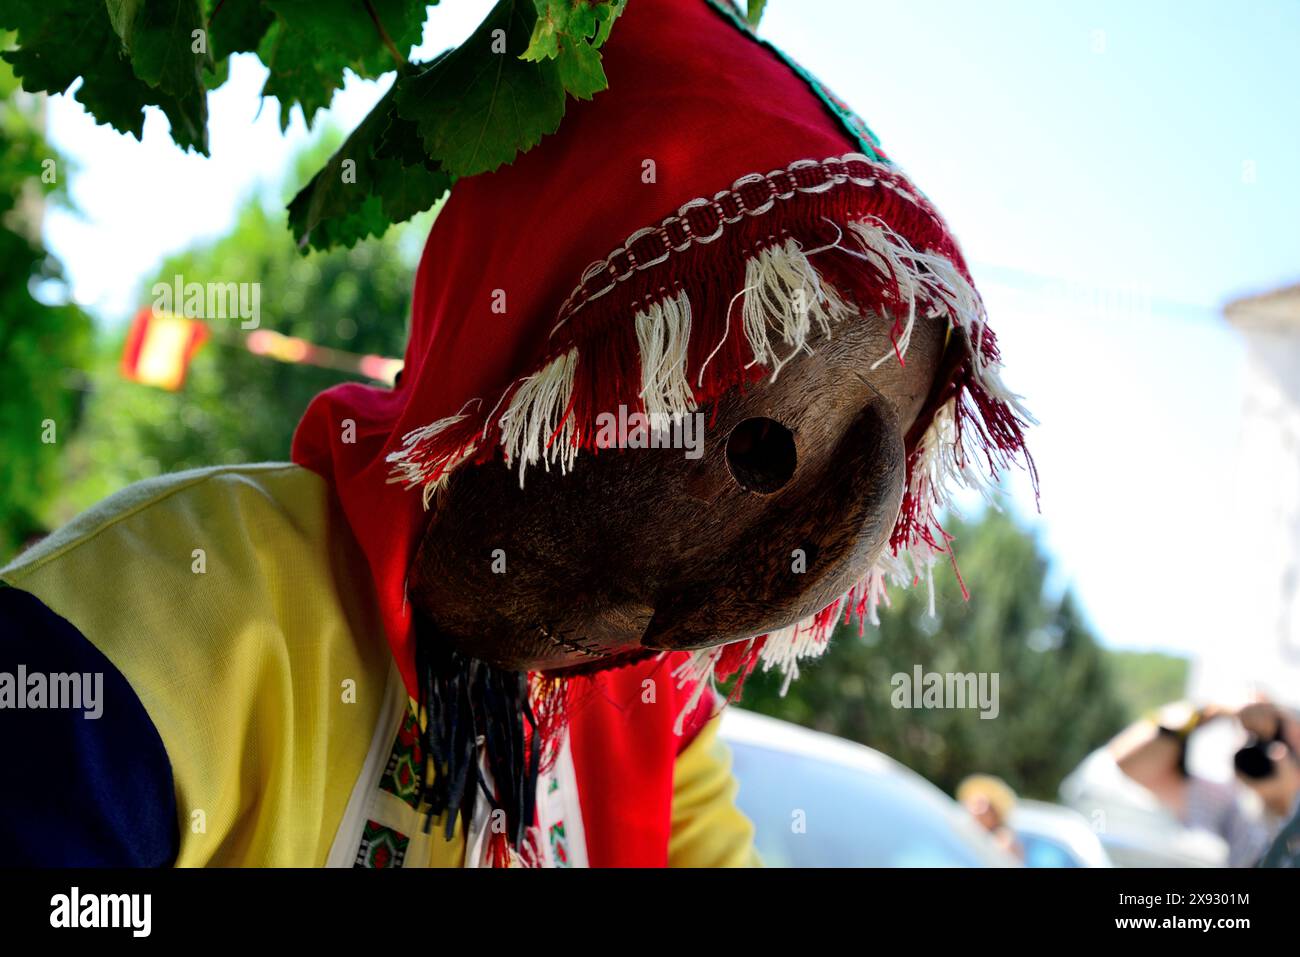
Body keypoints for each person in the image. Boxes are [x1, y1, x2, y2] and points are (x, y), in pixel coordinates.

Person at [0, 0, 1031, 866]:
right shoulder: (195, 599)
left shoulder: (656, 722)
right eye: (751, 447)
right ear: (542, 358)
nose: (704, 620)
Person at [1108, 698, 1300, 867]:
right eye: (1269, 740)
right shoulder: (1233, 805)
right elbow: (1128, 764)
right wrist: (1212, 711)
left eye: (1289, 748)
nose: (1277, 753)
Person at [956, 774, 1025, 861]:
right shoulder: (966, 832)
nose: (976, 811)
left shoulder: (1004, 840)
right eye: (973, 804)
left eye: (980, 805)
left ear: (994, 812)